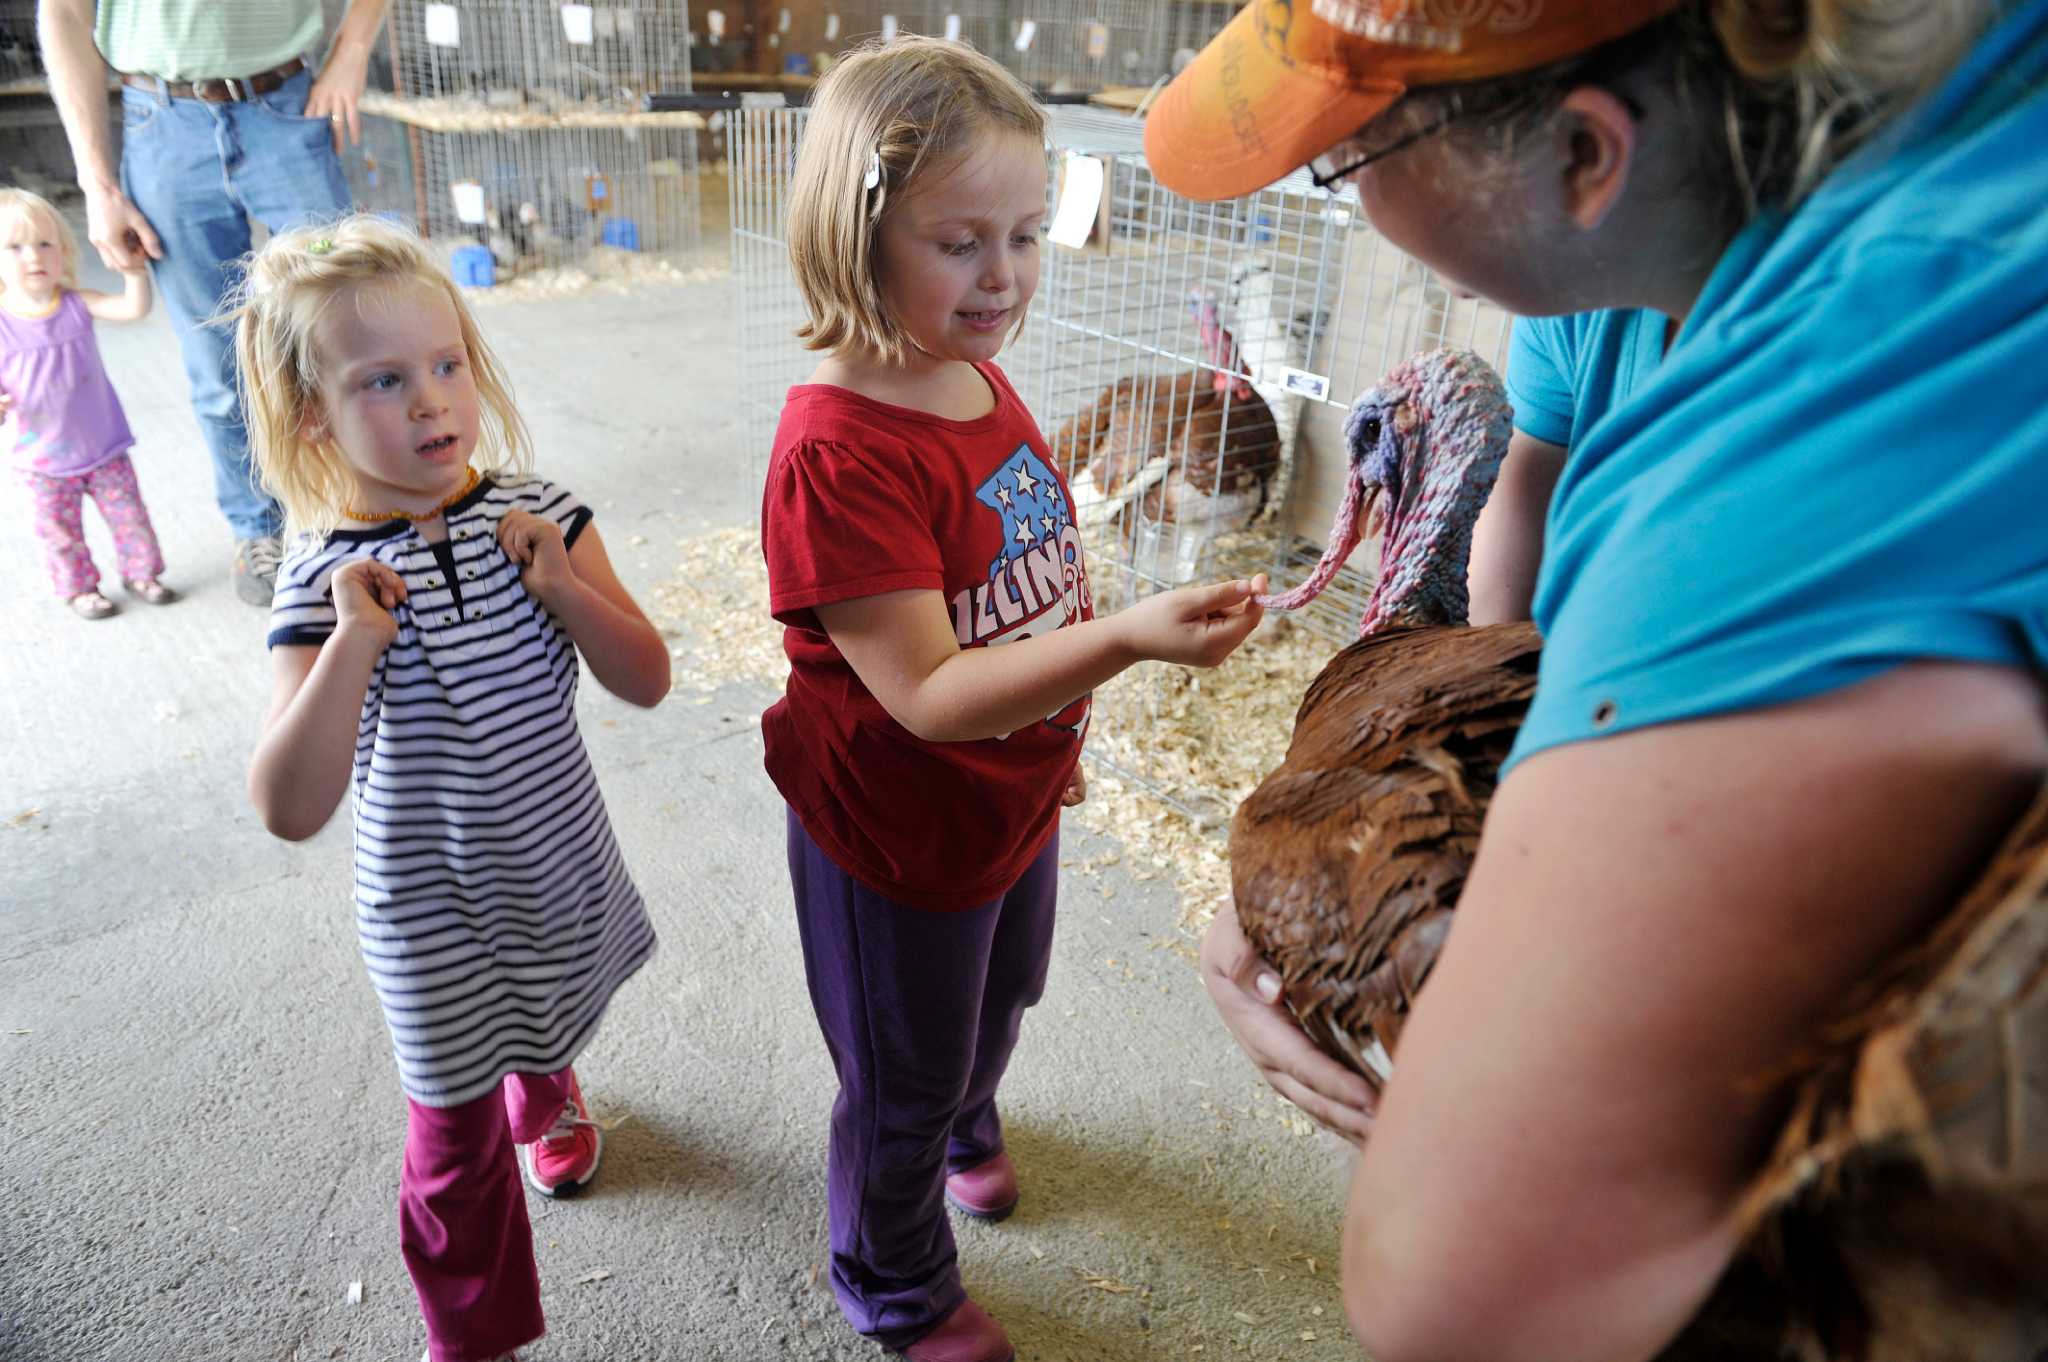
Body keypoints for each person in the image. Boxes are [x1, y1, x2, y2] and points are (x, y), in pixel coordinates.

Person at [1144, 1, 2048, 1358]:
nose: (1348, 187)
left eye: (1348, 156)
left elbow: (1460, 1284)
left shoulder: (1804, 432)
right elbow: (1527, 545)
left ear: (1583, 156)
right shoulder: (1917, 145)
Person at [761, 37, 1268, 1362]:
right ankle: (895, 1276)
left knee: (1005, 995)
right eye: (962, 242)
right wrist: (1123, 644)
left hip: (1013, 786)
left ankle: (966, 1112)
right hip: (900, 829)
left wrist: (1057, 736)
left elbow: (1017, 590)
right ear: (857, 236)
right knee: (900, 1065)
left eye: (1029, 236)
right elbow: (927, 690)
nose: (1005, 278)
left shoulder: (973, 373)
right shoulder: (840, 448)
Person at [237, 215, 669, 1362]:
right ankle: (473, 1339)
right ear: (312, 416)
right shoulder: (321, 574)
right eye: (384, 380)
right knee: (450, 1149)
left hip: (548, 856)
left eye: (447, 366)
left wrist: (566, 588)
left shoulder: (547, 513)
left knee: (540, 1009)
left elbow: (648, 679)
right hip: (423, 911)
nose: (432, 402)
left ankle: (549, 1089)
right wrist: (348, 648)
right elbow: (288, 804)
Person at [40, 0, 389, 605]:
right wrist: (96, 184)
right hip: (162, 123)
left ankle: (369, 505)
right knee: (216, 361)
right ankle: (258, 529)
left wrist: (353, 48)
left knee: (344, 333)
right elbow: (65, 13)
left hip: (285, 104)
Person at [0, 186, 173, 618]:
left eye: (45, 244)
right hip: (42, 460)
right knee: (59, 533)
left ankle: (141, 573)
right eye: (15, 247)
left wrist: (135, 272)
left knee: (130, 517)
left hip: (102, 446)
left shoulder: (75, 305)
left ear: (64, 251)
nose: (34, 256)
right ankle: (79, 588)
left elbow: (134, 309)